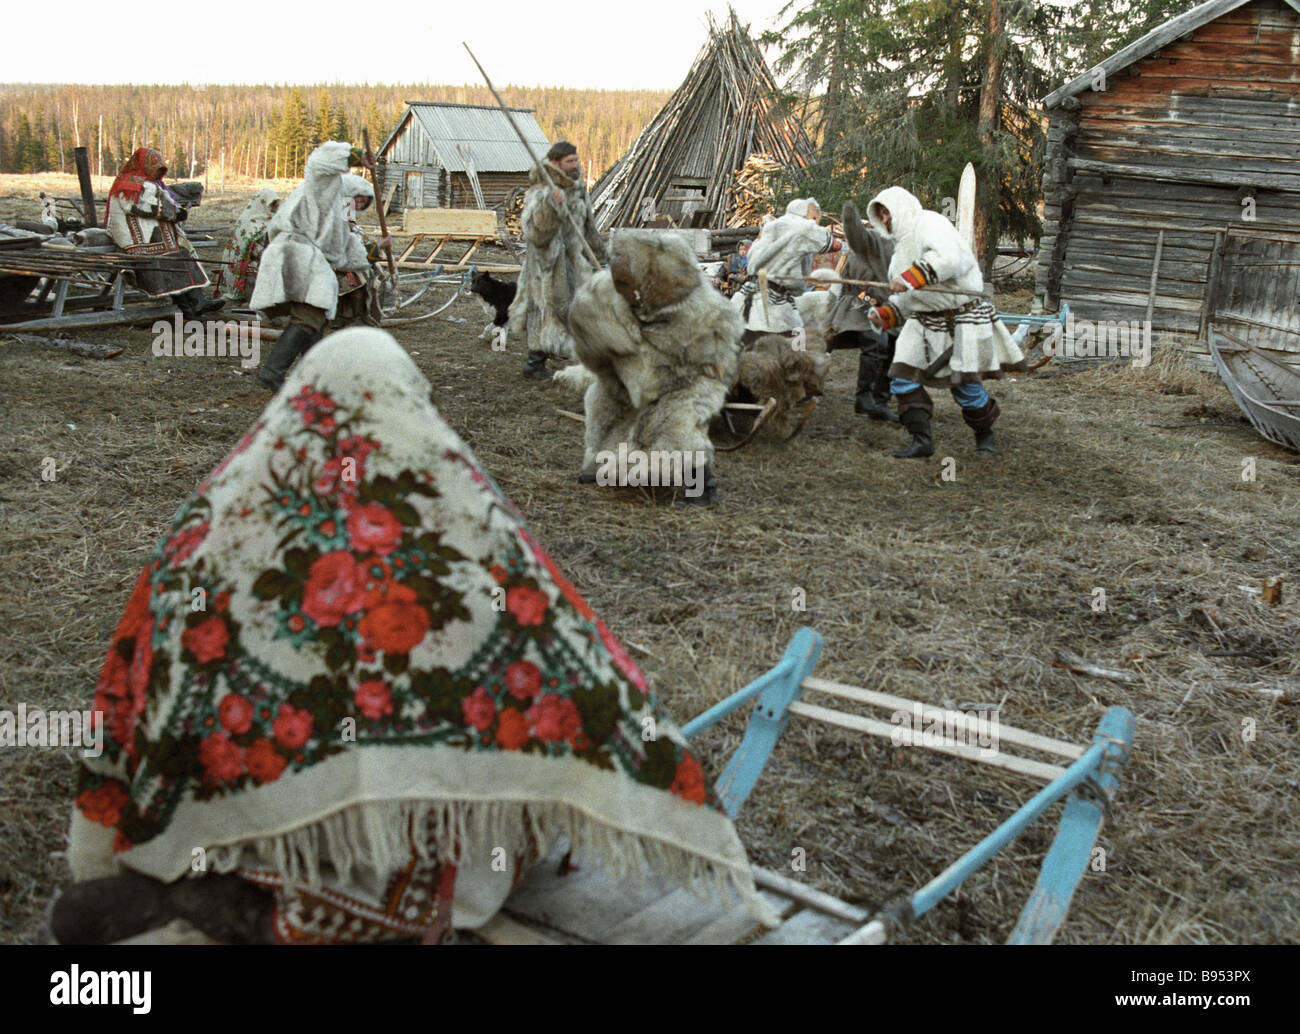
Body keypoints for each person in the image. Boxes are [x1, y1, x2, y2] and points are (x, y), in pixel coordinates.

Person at [50, 327, 774, 944]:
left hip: (240, 822)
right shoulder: (467, 521)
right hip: (433, 839)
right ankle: (331, 910)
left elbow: (129, 686)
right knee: (465, 866)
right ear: (411, 407)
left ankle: (234, 892)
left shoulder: (208, 530)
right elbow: (574, 659)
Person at [864, 186, 1024, 457]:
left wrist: (908, 279)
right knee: (903, 377)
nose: (886, 219)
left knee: (965, 387)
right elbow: (908, 298)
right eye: (881, 214)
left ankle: (985, 435)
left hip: (960, 319)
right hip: (923, 323)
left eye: (887, 212)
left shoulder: (931, 222)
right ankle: (921, 441)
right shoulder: (899, 249)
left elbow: (950, 260)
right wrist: (886, 314)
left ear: (900, 209)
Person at [250, 141, 387, 391]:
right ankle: (272, 373)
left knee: (316, 315)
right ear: (350, 189)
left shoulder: (338, 218)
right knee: (311, 313)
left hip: (306, 257)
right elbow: (318, 161)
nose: (357, 206)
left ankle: (312, 375)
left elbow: (347, 253)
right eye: (358, 200)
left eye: (363, 205)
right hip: (295, 251)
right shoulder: (326, 187)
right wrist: (355, 157)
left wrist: (376, 249)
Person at [506, 141, 607, 380]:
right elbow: (534, 234)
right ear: (555, 163)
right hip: (547, 265)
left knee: (583, 309)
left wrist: (600, 254)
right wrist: (551, 205)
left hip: (575, 261)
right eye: (569, 161)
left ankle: (587, 362)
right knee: (545, 311)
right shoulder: (539, 192)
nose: (575, 165)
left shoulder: (577, 188)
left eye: (575, 160)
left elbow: (588, 225)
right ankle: (534, 363)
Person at [104, 148, 223, 321]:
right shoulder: (129, 183)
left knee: (181, 253)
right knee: (167, 259)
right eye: (154, 168)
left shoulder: (147, 183)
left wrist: (174, 211)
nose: (157, 173)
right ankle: (189, 312)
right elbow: (138, 207)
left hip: (149, 234)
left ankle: (198, 301)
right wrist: (173, 213)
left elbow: (158, 203)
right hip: (132, 236)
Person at [826, 200, 899, 423]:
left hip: (892, 308)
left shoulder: (904, 243)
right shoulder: (873, 239)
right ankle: (863, 398)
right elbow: (857, 236)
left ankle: (879, 402)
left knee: (894, 348)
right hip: (860, 306)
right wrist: (850, 216)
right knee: (875, 339)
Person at [731, 198, 840, 344]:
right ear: (810, 216)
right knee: (792, 353)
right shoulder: (806, 227)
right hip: (774, 302)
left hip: (749, 296)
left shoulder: (770, 227)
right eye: (815, 218)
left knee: (748, 349)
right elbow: (836, 245)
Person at [213, 189, 279, 304]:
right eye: (272, 204)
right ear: (263, 203)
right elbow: (254, 250)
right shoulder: (250, 222)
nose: (274, 207)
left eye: (275, 204)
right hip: (247, 261)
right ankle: (256, 298)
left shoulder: (271, 220)